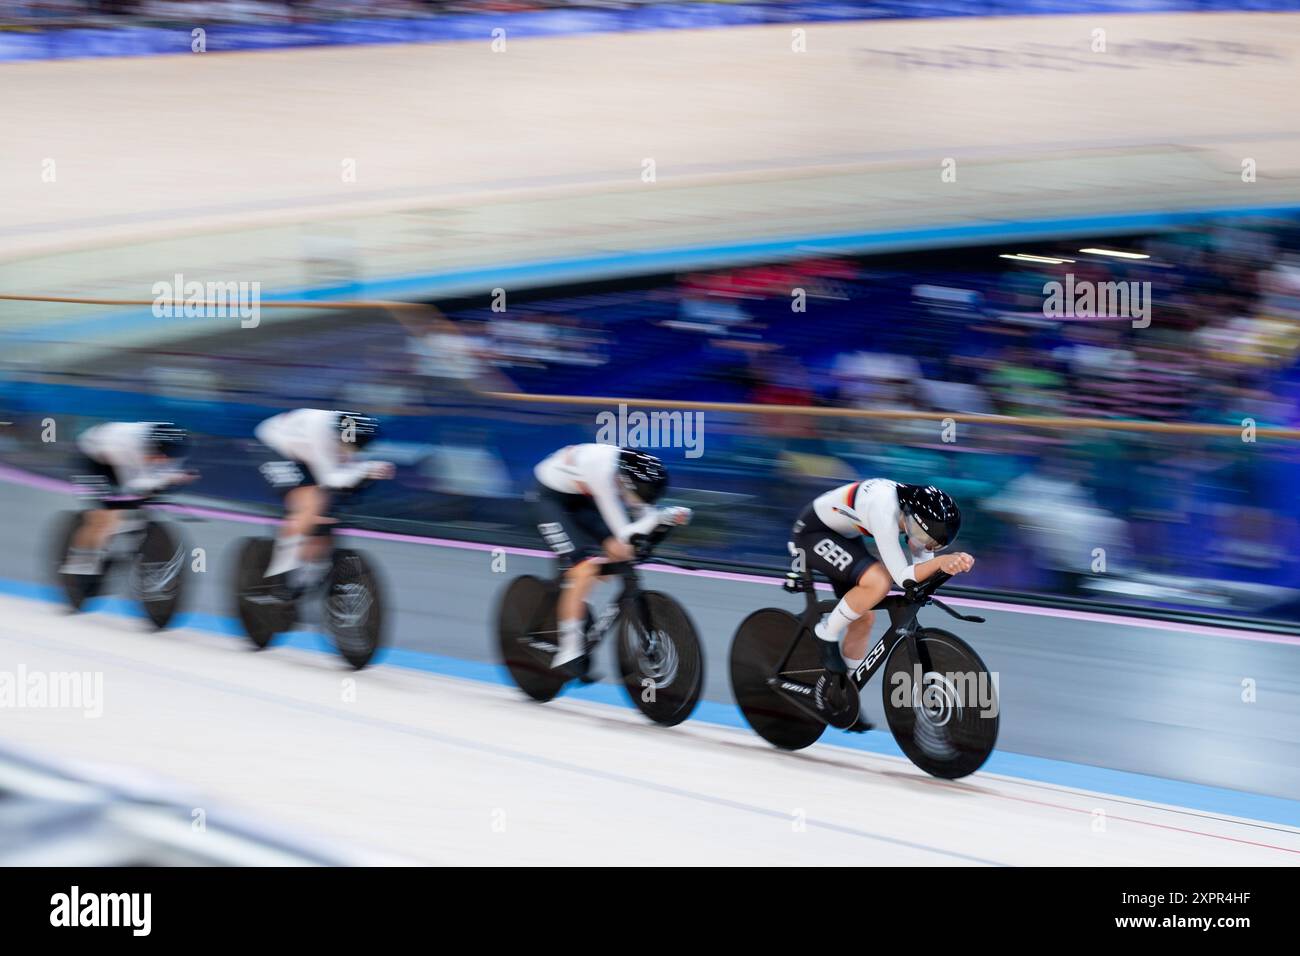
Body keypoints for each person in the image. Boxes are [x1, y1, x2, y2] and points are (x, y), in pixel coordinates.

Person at [791, 479, 974, 681]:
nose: (925, 545)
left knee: (863, 618)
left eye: (933, 545)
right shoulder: (883, 510)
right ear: (911, 518)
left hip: (844, 534)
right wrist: (941, 562)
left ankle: (843, 690)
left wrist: (950, 566)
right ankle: (825, 632)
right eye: (923, 537)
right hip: (813, 533)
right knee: (879, 581)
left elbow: (922, 569)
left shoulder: (911, 511)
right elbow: (903, 577)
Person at [532, 444, 690, 674]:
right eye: (637, 496)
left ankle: (576, 595)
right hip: (550, 498)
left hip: (583, 496)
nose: (638, 502)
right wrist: (659, 519)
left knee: (617, 553)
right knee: (585, 567)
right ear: (625, 483)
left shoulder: (633, 472)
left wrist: (663, 520)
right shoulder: (603, 472)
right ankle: (568, 649)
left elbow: (642, 515)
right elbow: (625, 533)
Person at [254, 409, 394, 592]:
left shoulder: (351, 430)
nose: (352, 452)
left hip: (308, 453)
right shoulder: (320, 432)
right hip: (276, 445)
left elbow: (347, 467)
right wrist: (366, 470)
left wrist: (363, 472)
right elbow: (330, 478)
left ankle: (314, 565)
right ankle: (280, 572)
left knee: (326, 511)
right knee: (310, 502)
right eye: (347, 446)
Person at [62, 421, 194, 574]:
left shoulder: (173, 448)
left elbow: (155, 479)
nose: (160, 461)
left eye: (165, 458)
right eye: (156, 456)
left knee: (136, 508)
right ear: (150, 446)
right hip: (94, 458)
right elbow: (134, 485)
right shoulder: (129, 446)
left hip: (123, 462)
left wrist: (168, 481)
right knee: (104, 519)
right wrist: (168, 480)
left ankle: (125, 543)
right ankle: (79, 566)